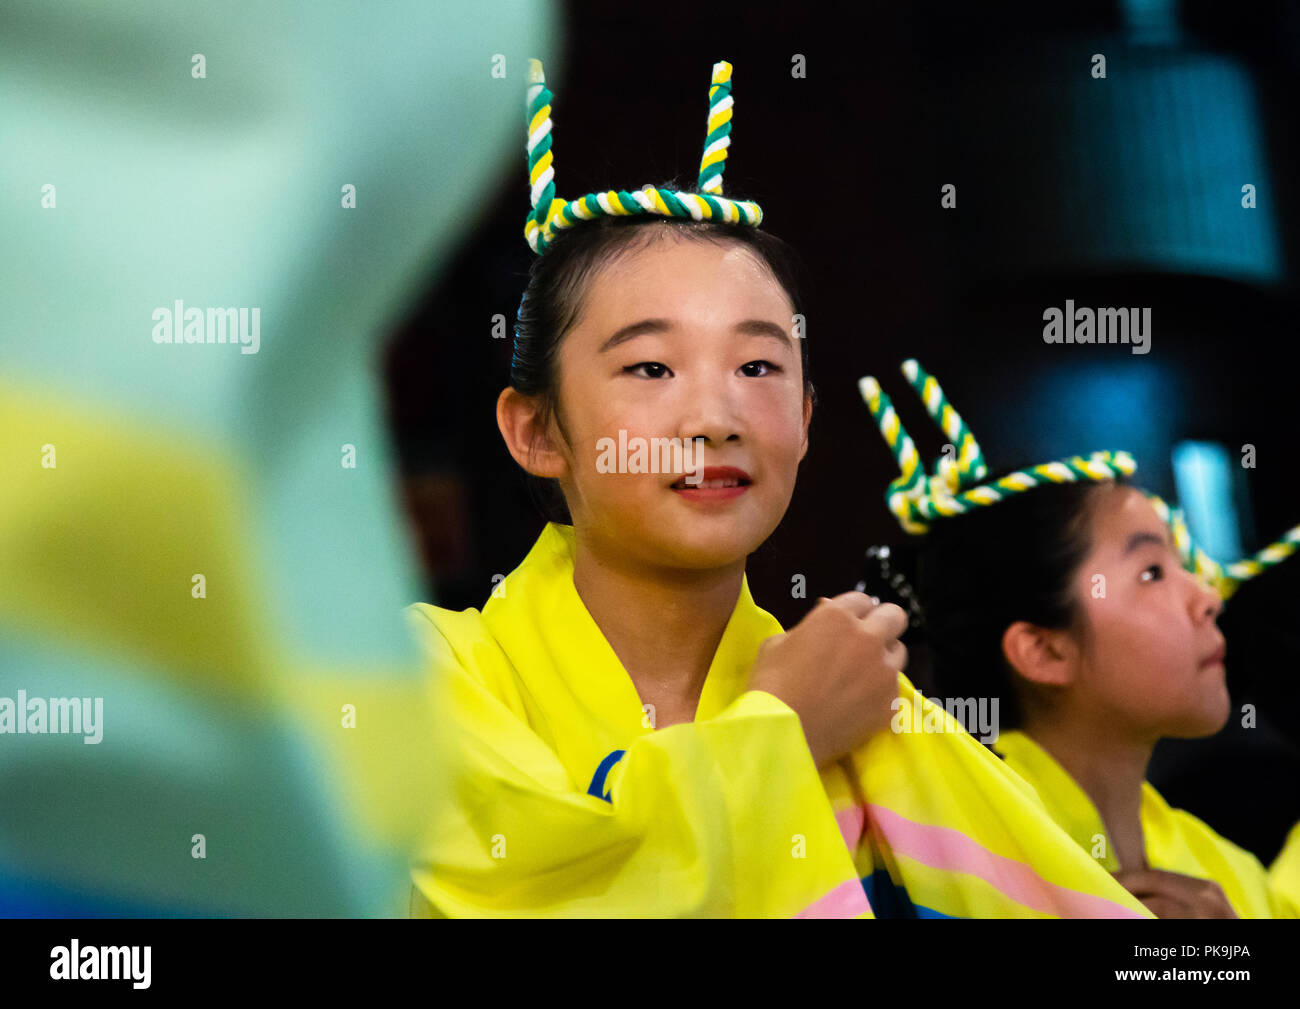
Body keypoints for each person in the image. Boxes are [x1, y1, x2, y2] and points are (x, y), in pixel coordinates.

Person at [406, 60, 1153, 918]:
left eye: (758, 364)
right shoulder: (435, 671)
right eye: (651, 365)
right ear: (537, 431)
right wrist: (784, 732)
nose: (718, 416)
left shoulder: (866, 699)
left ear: (802, 420)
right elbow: (532, 890)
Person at [865, 360, 1300, 918]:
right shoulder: (939, 832)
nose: (1208, 597)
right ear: (1044, 650)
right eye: (1152, 571)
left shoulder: (1221, 872)